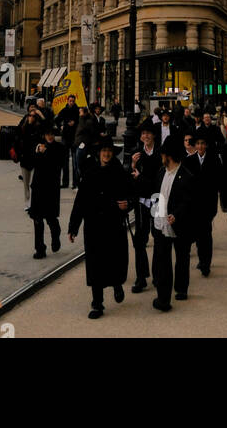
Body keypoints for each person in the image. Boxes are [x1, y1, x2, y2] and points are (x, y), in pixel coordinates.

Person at [68, 134, 131, 319]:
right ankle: (97, 304)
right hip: (94, 225)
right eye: (103, 151)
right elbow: (81, 201)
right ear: (98, 153)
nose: (106, 154)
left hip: (113, 224)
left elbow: (129, 194)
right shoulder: (90, 172)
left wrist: (127, 204)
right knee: (95, 264)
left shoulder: (119, 171)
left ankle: (117, 284)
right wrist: (73, 226)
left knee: (114, 259)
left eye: (109, 151)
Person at [151, 137, 195, 311]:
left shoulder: (187, 176)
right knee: (163, 262)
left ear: (169, 155)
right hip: (161, 224)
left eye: (163, 153)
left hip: (179, 225)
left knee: (182, 257)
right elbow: (156, 195)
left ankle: (181, 288)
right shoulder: (161, 172)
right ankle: (163, 300)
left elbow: (188, 201)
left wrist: (176, 215)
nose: (161, 156)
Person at [129, 121, 162, 293]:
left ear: (154, 135)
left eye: (149, 133)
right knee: (139, 241)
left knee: (159, 238)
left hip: (157, 200)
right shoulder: (137, 153)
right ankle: (141, 277)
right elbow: (130, 178)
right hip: (141, 202)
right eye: (143, 133)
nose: (146, 136)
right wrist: (133, 166)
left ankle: (157, 275)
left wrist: (140, 177)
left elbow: (159, 181)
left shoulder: (160, 153)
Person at [186, 132, 220, 277]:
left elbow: (219, 179)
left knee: (206, 233)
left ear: (206, 145)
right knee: (198, 234)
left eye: (202, 143)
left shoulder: (214, 159)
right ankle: (202, 259)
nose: (200, 146)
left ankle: (206, 263)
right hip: (194, 204)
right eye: (198, 144)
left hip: (208, 202)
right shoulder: (189, 160)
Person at [29, 120, 63, 258]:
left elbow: (57, 164)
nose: (49, 136)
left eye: (51, 134)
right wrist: (37, 152)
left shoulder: (59, 148)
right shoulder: (38, 146)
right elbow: (31, 164)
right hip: (38, 187)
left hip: (51, 188)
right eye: (47, 134)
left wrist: (46, 152)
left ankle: (56, 236)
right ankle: (40, 248)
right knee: (37, 220)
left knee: (51, 218)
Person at [16, 108, 43, 208]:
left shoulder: (38, 128)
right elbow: (17, 140)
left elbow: (42, 138)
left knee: (34, 183)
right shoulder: (23, 127)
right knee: (26, 183)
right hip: (24, 157)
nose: (31, 118)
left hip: (35, 158)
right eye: (29, 116)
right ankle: (27, 201)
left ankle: (33, 201)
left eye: (33, 116)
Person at [56, 95, 81, 188]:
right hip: (65, 137)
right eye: (70, 101)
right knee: (65, 162)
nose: (71, 102)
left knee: (75, 162)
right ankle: (65, 182)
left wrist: (75, 123)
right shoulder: (64, 110)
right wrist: (61, 127)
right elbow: (57, 120)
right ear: (67, 101)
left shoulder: (77, 110)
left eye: (73, 101)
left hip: (74, 138)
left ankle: (75, 183)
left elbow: (81, 121)